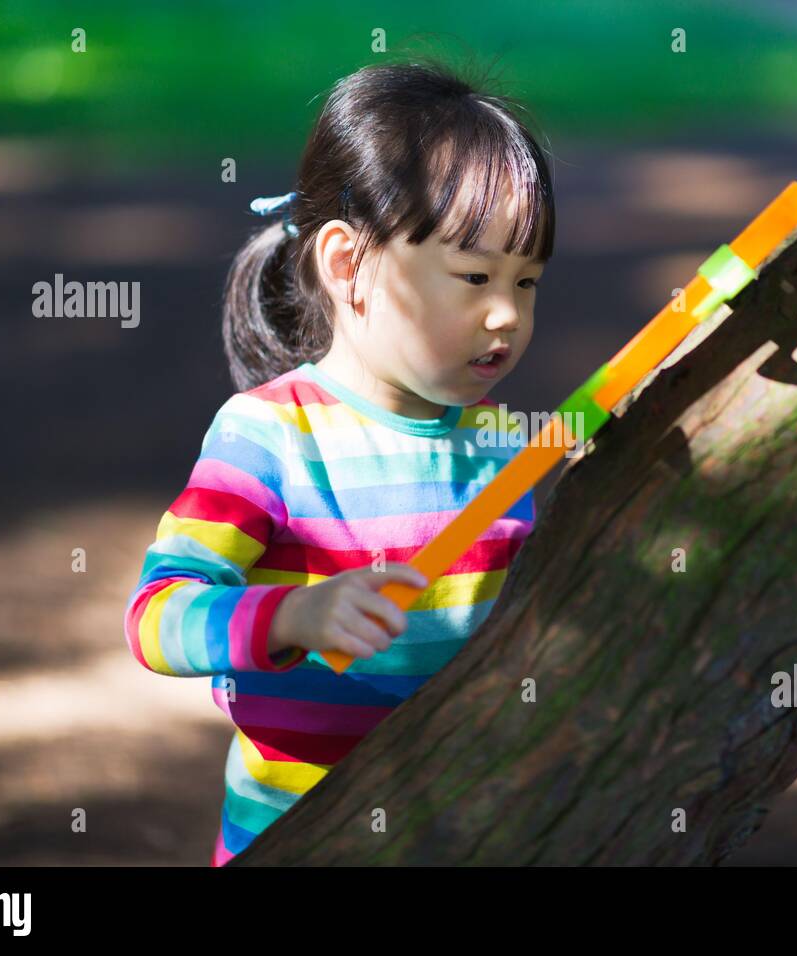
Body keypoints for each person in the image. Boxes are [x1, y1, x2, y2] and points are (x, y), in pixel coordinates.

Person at [122, 59, 555, 866]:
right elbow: (155, 617)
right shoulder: (270, 435)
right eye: (474, 277)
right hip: (301, 833)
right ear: (349, 264)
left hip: (471, 822)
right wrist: (290, 618)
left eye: (526, 281)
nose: (508, 313)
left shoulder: (501, 437)